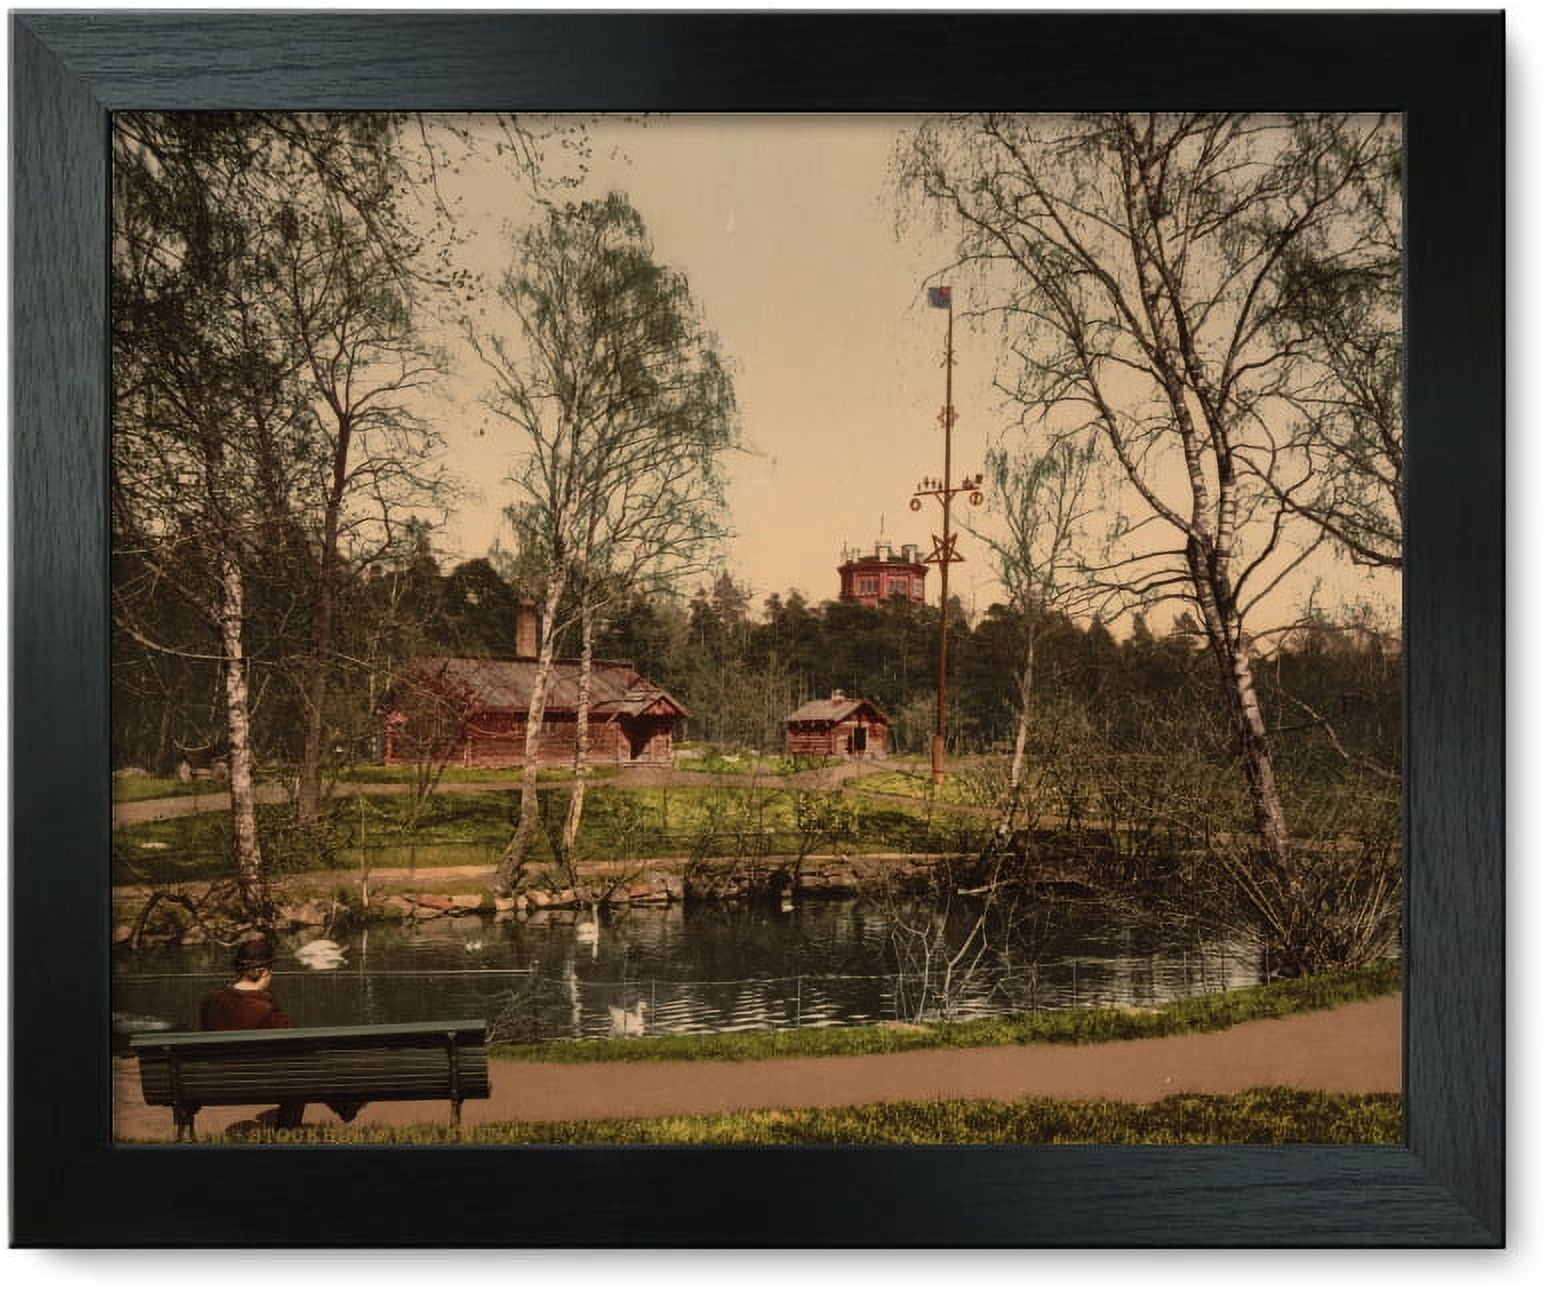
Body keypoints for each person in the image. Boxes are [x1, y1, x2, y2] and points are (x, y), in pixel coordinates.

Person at [200, 936, 304, 1130]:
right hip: (261, 1081)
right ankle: (287, 1129)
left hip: (216, 1082)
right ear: (261, 971)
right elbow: (293, 1042)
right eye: (271, 970)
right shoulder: (265, 1007)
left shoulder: (210, 1003)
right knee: (300, 1069)